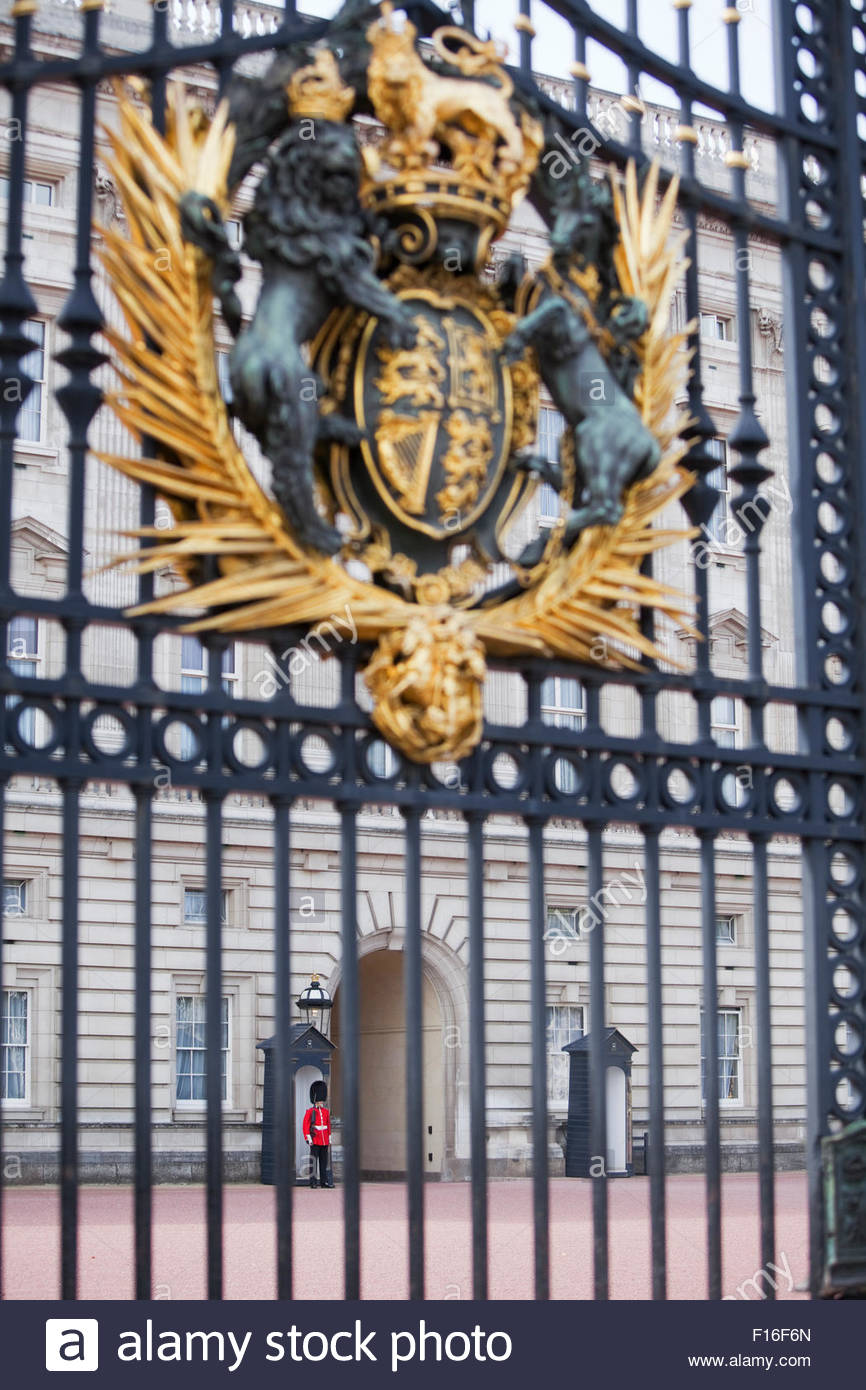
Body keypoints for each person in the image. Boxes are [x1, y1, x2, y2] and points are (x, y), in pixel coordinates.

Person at [302, 1079, 333, 1188]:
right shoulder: (310, 1111)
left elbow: (328, 1125)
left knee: (323, 1163)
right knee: (314, 1162)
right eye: (320, 1101)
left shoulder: (325, 1112)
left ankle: (323, 1182)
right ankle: (313, 1181)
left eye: (322, 1101)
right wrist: (308, 1138)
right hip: (315, 1139)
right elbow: (305, 1126)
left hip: (324, 1139)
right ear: (316, 1101)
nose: (321, 1102)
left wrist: (329, 1137)